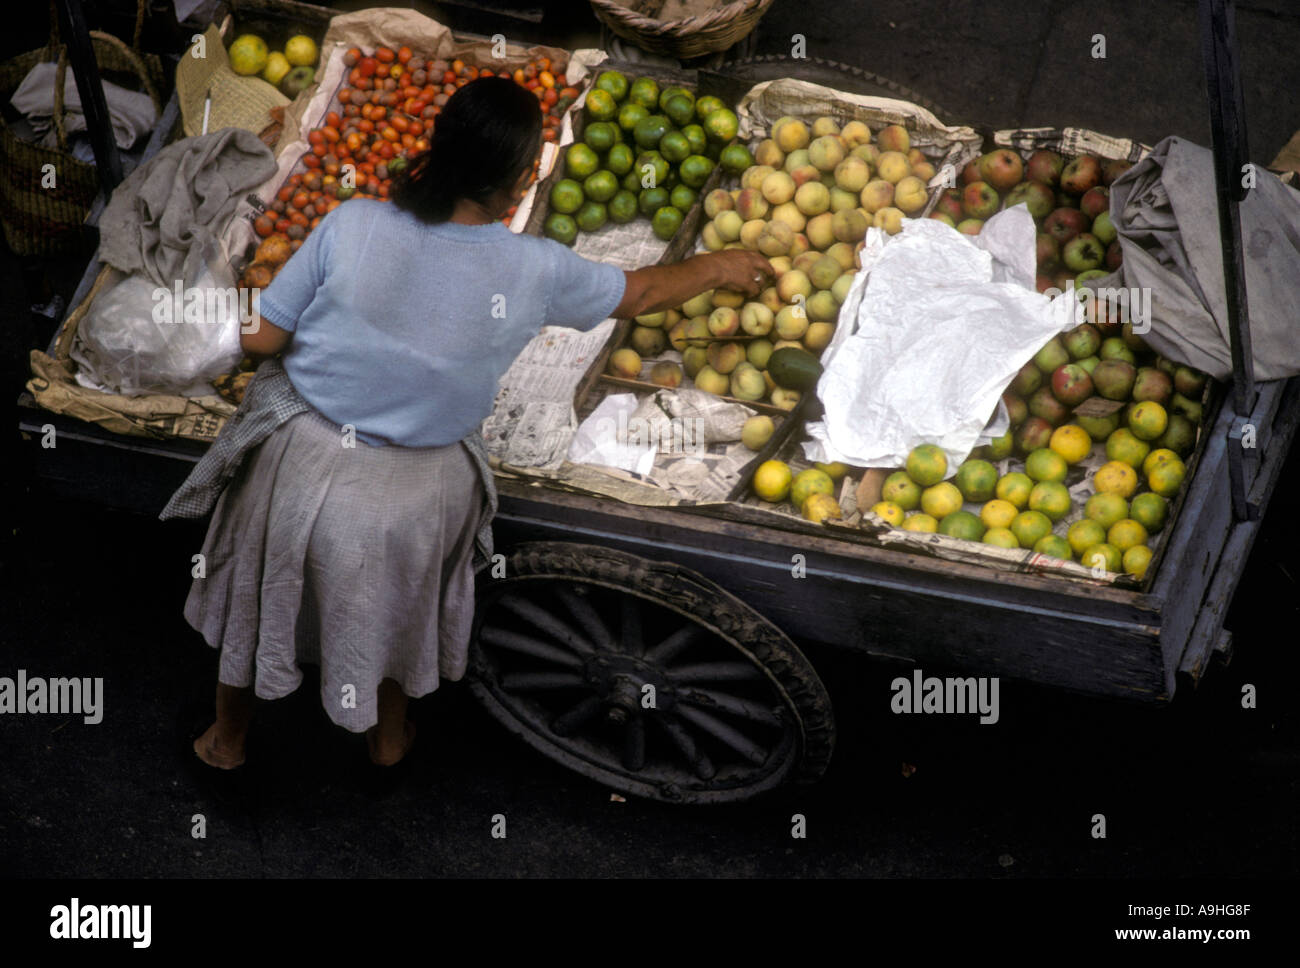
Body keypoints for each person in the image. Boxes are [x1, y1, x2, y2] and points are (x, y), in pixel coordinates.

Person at [168, 76, 773, 771]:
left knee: (261, 605)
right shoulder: (534, 268)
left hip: (298, 467)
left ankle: (226, 743)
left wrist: (241, 293)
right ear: (519, 183)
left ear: (438, 149)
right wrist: (719, 265)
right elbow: (643, 292)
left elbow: (261, 342)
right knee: (398, 614)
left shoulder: (353, 223)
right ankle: (388, 742)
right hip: (417, 493)